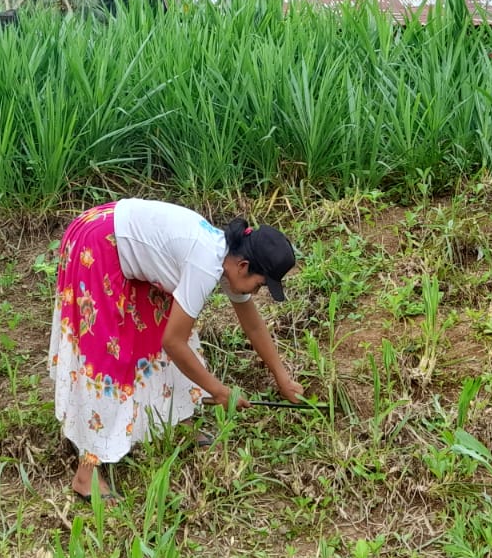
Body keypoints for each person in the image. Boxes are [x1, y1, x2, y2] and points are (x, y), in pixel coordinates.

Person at [48, 199, 302, 500]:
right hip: (98, 243)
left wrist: (282, 378)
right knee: (107, 358)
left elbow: (254, 326)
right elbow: (175, 343)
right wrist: (219, 391)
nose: (254, 293)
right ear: (244, 266)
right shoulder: (205, 264)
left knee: (154, 327)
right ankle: (86, 473)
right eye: (259, 285)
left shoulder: (227, 259)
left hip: (117, 238)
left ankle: (177, 421)